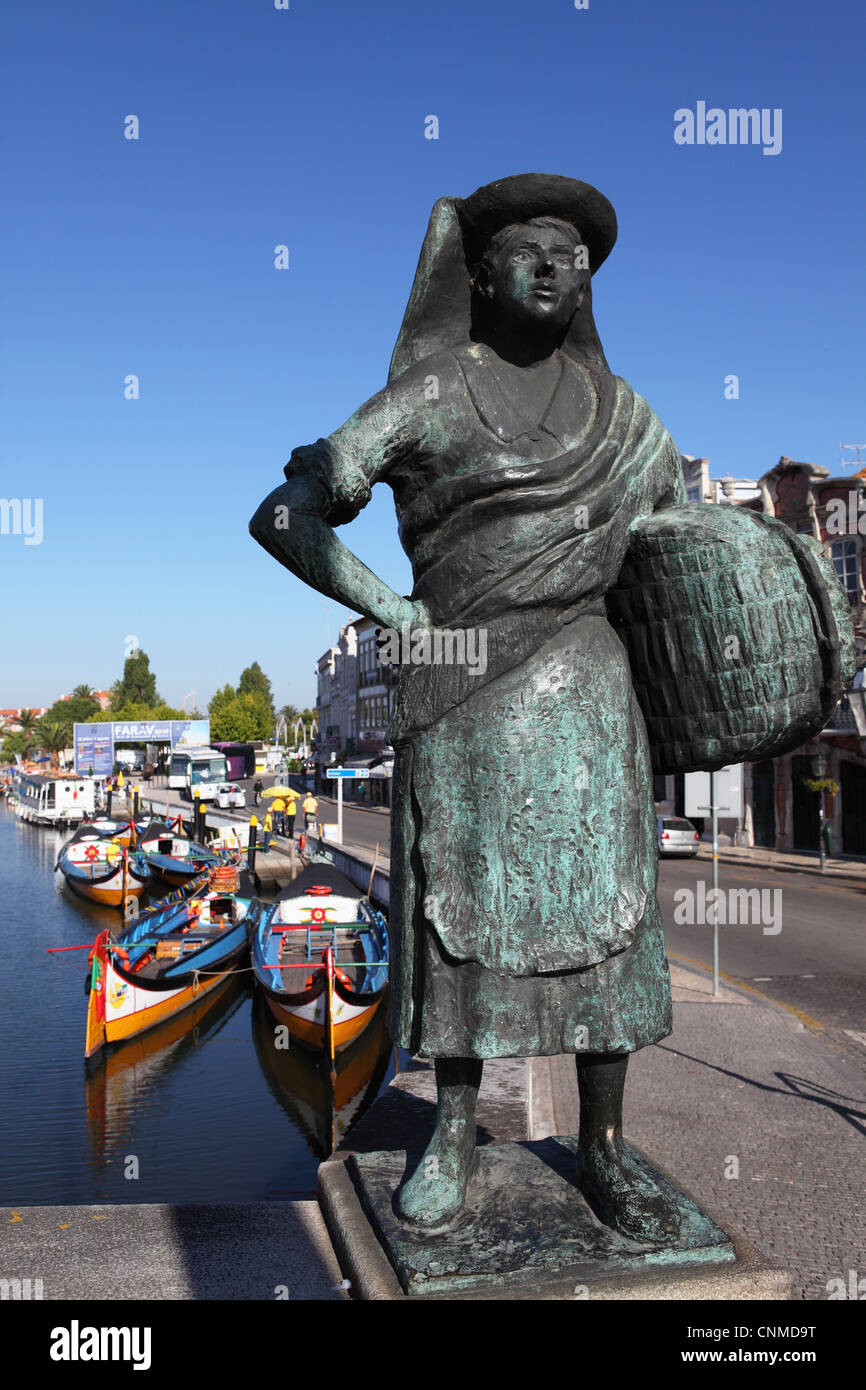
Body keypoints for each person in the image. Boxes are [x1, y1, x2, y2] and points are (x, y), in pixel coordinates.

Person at [251, 174, 687, 1240]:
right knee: (461, 912)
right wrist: (397, 613)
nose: (552, 268)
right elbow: (284, 513)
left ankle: (604, 1143)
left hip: (590, 693)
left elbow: (678, 560)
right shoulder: (433, 393)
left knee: (603, 913)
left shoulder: (629, 419)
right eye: (527, 251)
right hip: (467, 695)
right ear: (478, 274)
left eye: (571, 257)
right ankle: (450, 1131)